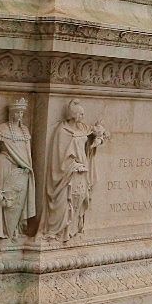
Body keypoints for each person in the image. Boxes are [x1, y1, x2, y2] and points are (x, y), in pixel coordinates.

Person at [43, 99, 108, 241]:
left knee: (78, 200)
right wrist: (72, 165)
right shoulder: (62, 131)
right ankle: (58, 231)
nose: (83, 116)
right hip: (68, 172)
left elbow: (97, 134)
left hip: (82, 170)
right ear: (73, 114)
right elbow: (59, 156)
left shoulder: (82, 127)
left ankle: (72, 230)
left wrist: (98, 139)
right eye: (80, 114)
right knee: (65, 202)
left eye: (83, 114)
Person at [0, 98, 36, 241]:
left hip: (21, 171)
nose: (20, 115)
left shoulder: (25, 131)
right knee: (2, 200)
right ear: (11, 113)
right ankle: (0, 231)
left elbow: (28, 154)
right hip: (3, 167)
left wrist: (26, 167)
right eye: (17, 112)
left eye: (22, 113)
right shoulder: (1, 129)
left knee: (18, 202)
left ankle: (14, 229)